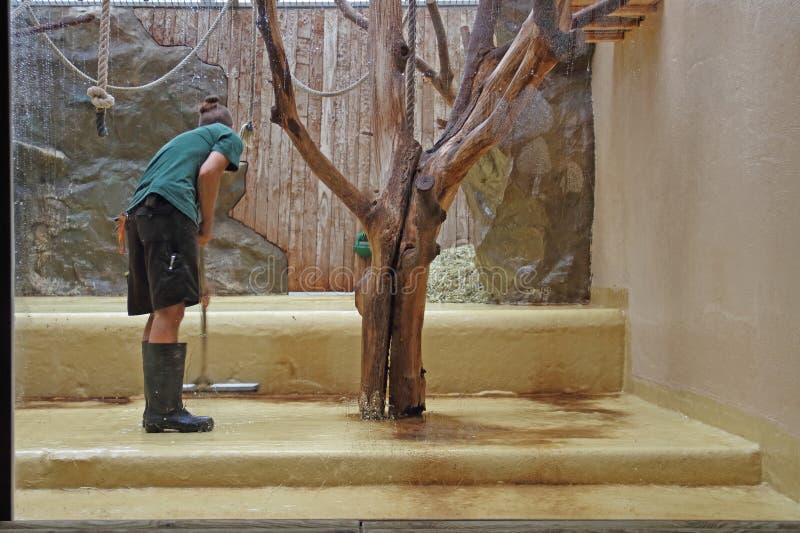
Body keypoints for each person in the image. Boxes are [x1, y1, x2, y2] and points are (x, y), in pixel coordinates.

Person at [124, 95, 244, 433]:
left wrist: (198, 283)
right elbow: (209, 173)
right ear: (226, 129)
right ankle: (164, 412)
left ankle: (157, 410)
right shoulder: (228, 136)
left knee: (161, 308)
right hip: (167, 215)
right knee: (171, 311)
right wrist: (206, 224)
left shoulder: (181, 142)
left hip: (139, 217)